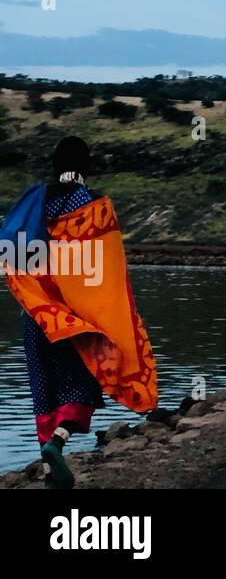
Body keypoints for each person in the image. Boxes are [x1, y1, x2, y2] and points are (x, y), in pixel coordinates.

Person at [2, 137, 157, 488]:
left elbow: (14, 254)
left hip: (36, 315)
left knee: (43, 390)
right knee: (82, 387)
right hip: (74, 321)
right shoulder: (93, 205)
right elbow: (106, 271)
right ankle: (57, 444)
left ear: (55, 164)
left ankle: (48, 472)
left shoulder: (33, 201)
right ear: (86, 166)